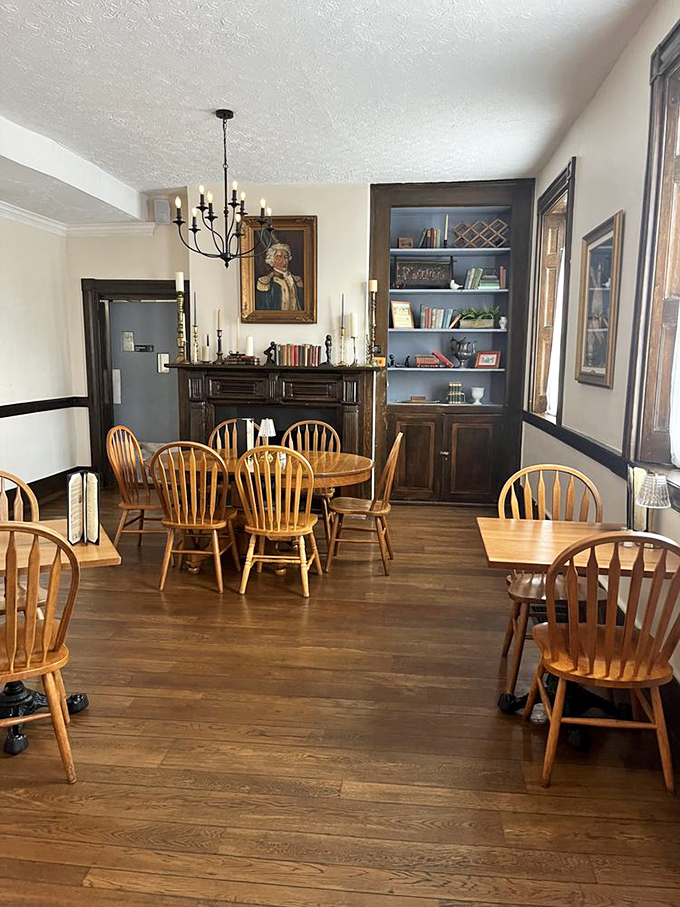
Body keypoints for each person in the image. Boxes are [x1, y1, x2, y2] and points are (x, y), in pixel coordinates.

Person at [256, 243, 304, 311]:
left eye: (286, 257)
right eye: (278, 258)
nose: (284, 262)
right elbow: (263, 308)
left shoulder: (297, 280)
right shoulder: (265, 282)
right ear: (271, 261)